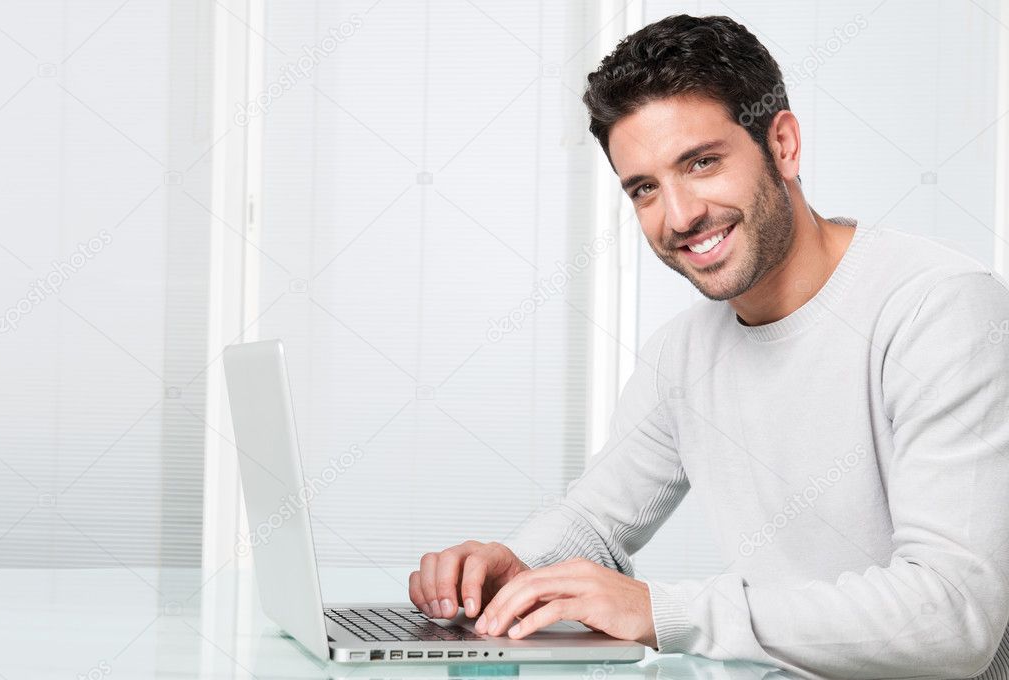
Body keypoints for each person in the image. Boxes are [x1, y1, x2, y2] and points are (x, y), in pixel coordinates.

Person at [408, 14, 1009, 679]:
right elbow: (596, 521)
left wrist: (664, 611)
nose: (680, 216)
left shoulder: (940, 308)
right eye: (645, 188)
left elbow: (954, 615)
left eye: (701, 163)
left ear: (783, 145)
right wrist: (517, 571)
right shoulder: (684, 354)